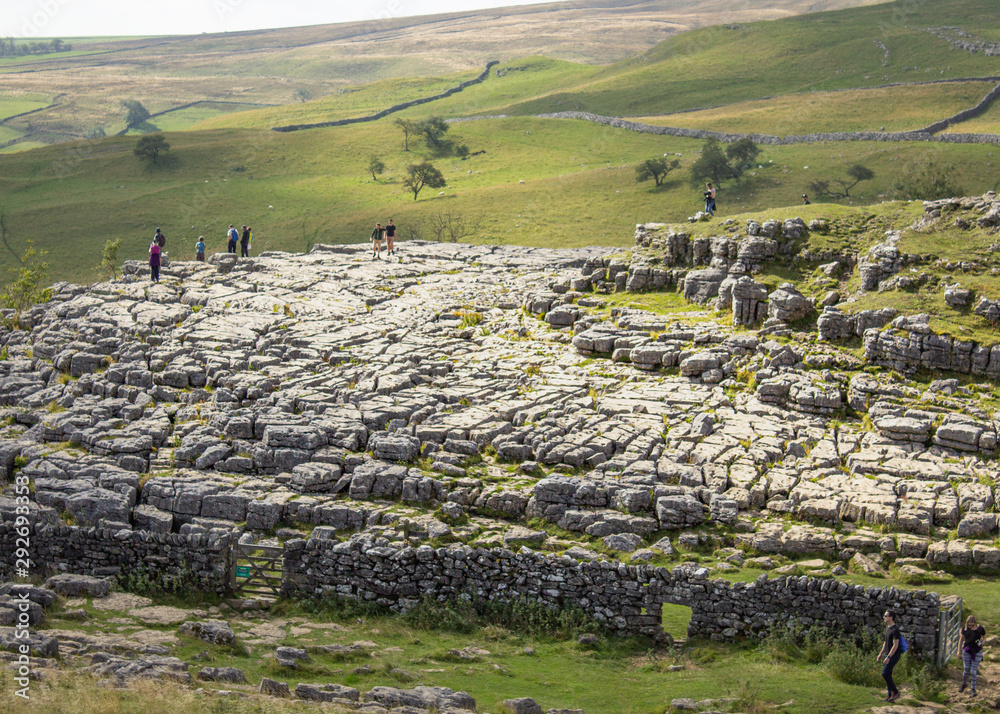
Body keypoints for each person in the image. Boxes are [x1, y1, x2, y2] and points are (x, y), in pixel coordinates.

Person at [876, 610, 902, 702]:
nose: (884, 617)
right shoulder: (888, 628)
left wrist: (889, 657)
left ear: (891, 617)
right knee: (888, 674)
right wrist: (881, 653)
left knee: (885, 673)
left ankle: (895, 692)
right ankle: (890, 695)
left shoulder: (895, 630)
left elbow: (895, 645)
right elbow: (886, 642)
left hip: (894, 655)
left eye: (885, 616)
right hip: (888, 654)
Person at [960, 615, 986, 696]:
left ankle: (973, 688)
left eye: (972, 625)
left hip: (977, 651)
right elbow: (961, 639)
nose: (970, 627)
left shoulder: (980, 629)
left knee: (974, 671)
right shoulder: (965, 630)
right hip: (967, 650)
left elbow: (984, 637)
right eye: (969, 625)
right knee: (966, 670)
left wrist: (982, 643)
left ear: (975, 623)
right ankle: (964, 684)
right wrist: (959, 651)